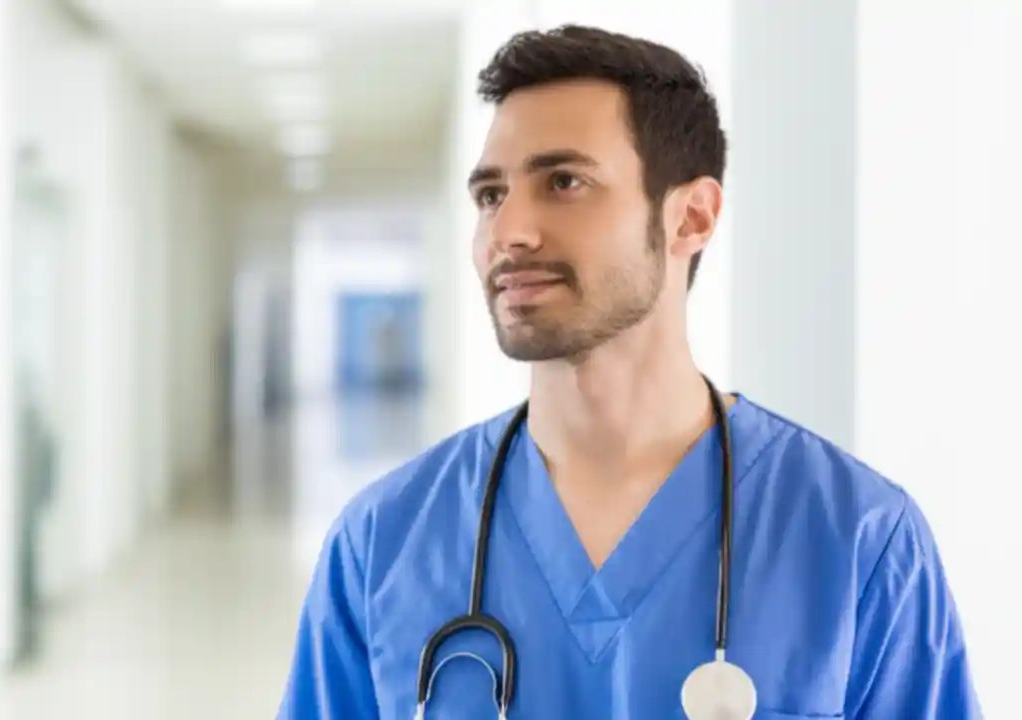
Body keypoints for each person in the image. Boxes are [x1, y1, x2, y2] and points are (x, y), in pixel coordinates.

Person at [277, 24, 980, 719]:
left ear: (691, 219)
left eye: (564, 182)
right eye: (491, 195)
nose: (509, 231)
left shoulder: (856, 536)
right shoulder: (384, 540)